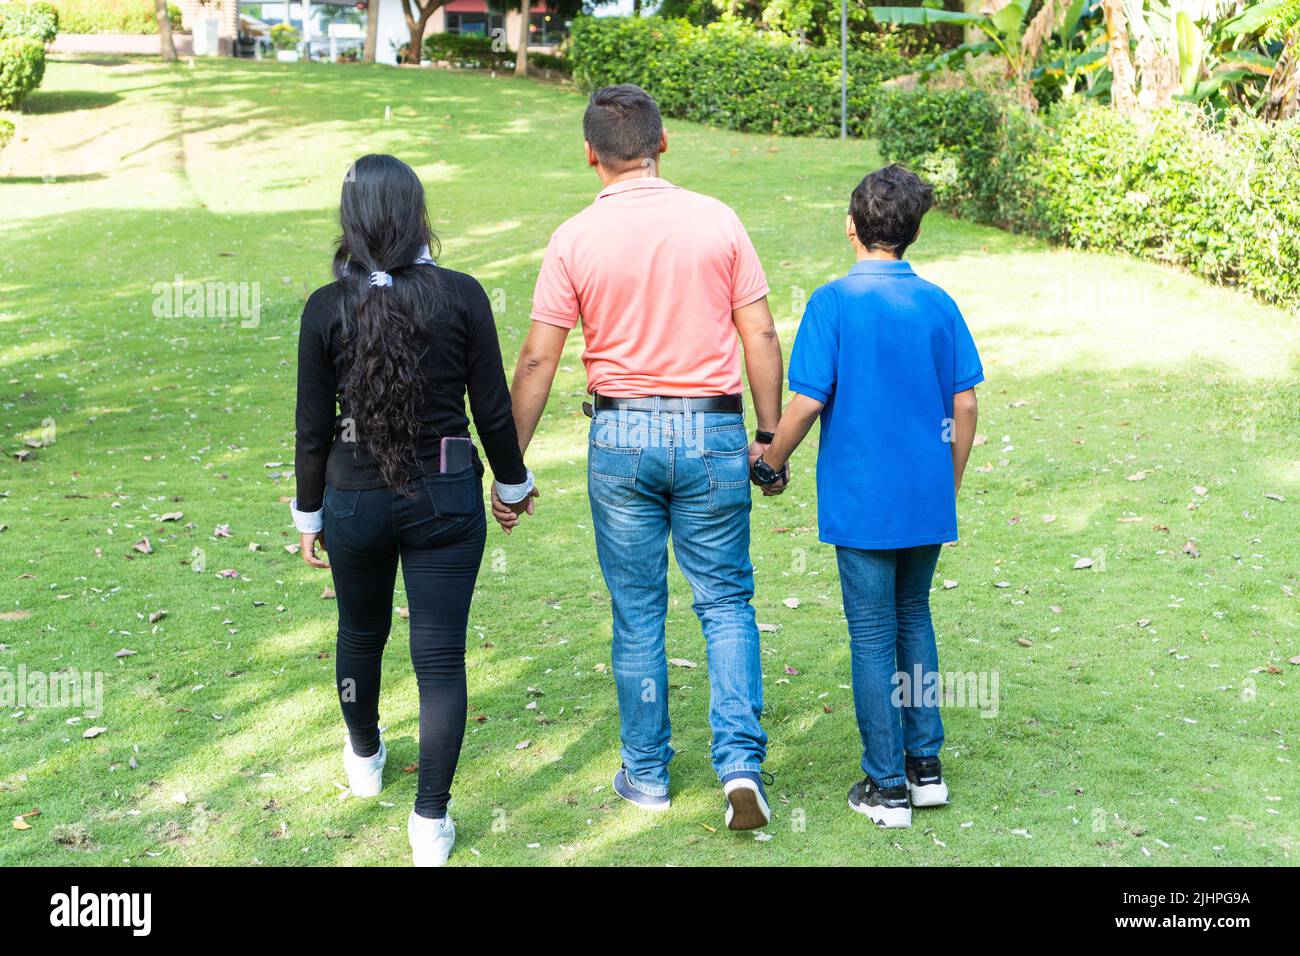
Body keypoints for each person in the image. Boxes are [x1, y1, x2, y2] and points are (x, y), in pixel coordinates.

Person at [496, 84, 784, 830]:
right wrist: (768, 434)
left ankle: (649, 775)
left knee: (637, 612)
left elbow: (536, 361)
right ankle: (740, 766)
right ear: (664, 144)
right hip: (713, 431)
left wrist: (510, 467)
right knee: (725, 602)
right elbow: (760, 334)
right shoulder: (717, 221)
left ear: (590, 153)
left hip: (621, 437)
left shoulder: (573, 238)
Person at [290, 154, 536, 866]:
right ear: (418, 214)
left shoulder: (324, 307)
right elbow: (492, 409)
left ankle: (363, 754)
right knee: (439, 661)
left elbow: (312, 429)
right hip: (445, 498)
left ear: (351, 220)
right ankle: (430, 823)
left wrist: (310, 515)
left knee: (359, 633)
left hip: (354, 502)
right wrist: (512, 485)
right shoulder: (460, 295)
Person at [751, 164, 982, 829]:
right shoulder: (939, 302)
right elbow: (964, 404)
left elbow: (805, 403)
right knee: (916, 618)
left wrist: (769, 461)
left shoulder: (833, 303)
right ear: (912, 231)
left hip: (862, 501)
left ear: (851, 226)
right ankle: (924, 767)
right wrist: (951, 478)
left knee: (874, 633)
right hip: (924, 495)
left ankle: (884, 787)